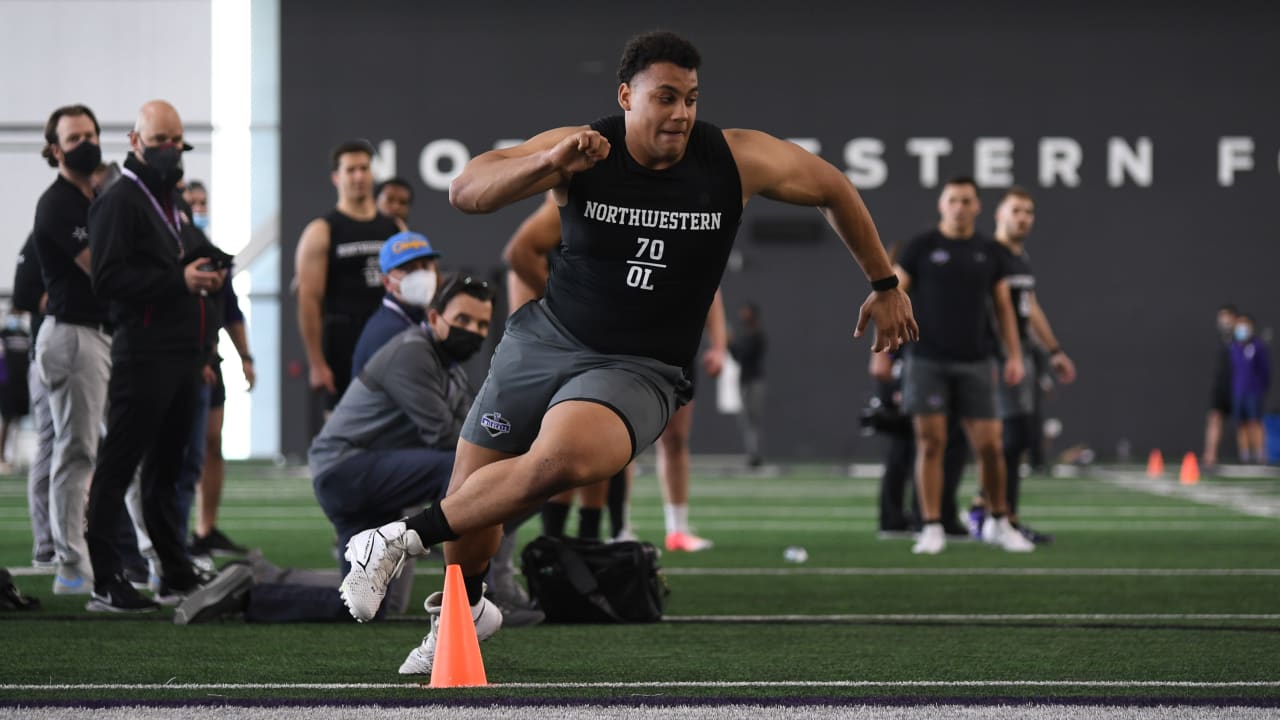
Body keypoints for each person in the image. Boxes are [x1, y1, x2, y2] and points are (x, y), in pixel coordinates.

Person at [338, 31, 917, 674]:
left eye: (691, 98)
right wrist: (550, 163)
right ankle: (466, 609)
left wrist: (884, 283)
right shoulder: (583, 148)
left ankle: (397, 539)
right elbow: (467, 191)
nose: (681, 113)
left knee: (558, 459)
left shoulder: (735, 158)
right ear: (626, 96)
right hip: (545, 339)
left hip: (639, 367)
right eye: (665, 97)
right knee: (471, 500)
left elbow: (833, 186)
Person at [174, 274, 496, 626]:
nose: (473, 331)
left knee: (366, 605)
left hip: (366, 475)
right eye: (463, 319)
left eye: (482, 324)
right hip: (347, 471)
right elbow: (448, 436)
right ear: (434, 317)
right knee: (460, 471)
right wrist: (509, 480)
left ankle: (253, 588)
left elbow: (470, 431)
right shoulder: (414, 352)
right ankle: (473, 596)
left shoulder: (449, 368)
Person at [503, 193, 728, 552]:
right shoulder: (553, 230)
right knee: (563, 451)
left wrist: (718, 343)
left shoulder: (629, 218)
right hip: (574, 348)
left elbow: (706, 284)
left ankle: (600, 537)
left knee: (614, 445)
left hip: (643, 344)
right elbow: (518, 262)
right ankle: (555, 542)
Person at [85, 100, 229, 613]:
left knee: (167, 471)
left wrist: (210, 270)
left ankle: (172, 570)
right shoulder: (120, 200)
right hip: (143, 353)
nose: (169, 148)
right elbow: (106, 280)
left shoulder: (171, 200)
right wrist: (179, 280)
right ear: (135, 140)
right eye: (159, 139)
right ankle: (106, 579)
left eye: (175, 140)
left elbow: (180, 261)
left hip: (183, 354)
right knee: (119, 466)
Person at [895, 176, 1033, 555]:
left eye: (966, 201)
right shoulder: (921, 246)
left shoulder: (989, 252)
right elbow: (892, 293)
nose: (959, 207)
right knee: (931, 443)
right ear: (942, 204)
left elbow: (1003, 307)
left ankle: (999, 520)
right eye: (953, 200)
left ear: (978, 207)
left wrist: (1014, 355)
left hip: (976, 359)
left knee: (990, 446)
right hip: (926, 360)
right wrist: (882, 352)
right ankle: (931, 526)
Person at [30, 103, 110, 596]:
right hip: (72, 335)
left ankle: (135, 557)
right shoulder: (56, 203)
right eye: (75, 138)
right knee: (76, 450)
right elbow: (103, 269)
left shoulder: (101, 196)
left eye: (91, 135)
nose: (86, 144)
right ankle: (72, 567)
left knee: (119, 450)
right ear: (56, 149)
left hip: (106, 334)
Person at [967, 187, 1076, 544]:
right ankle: (994, 514)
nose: (1023, 218)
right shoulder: (989, 254)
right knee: (1005, 439)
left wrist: (1054, 350)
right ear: (999, 214)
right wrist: (996, 352)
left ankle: (995, 513)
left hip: (1022, 356)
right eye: (1016, 211)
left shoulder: (1019, 258)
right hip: (997, 358)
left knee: (1017, 440)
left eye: (1028, 212)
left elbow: (1030, 307)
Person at [295, 140, 405, 416]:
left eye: (364, 168)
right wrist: (317, 363)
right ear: (336, 177)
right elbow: (309, 301)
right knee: (342, 429)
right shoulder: (322, 231)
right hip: (342, 345)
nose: (359, 176)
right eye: (351, 169)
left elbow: (409, 289)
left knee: (392, 424)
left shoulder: (394, 228)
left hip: (388, 340)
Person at [12, 231, 54, 567]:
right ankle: (47, 542)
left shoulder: (103, 222)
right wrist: (70, 297)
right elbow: (23, 294)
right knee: (51, 447)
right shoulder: (50, 225)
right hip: (48, 357)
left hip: (99, 351)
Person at [350, 231, 442, 379]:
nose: (421, 275)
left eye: (425, 266)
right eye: (409, 269)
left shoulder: (415, 318)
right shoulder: (389, 332)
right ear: (387, 282)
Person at [728, 301, 766, 467]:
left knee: (753, 419)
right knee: (747, 420)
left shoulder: (758, 336)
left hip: (754, 382)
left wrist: (730, 342)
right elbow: (737, 356)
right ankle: (752, 453)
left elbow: (744, 356)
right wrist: (729, 343)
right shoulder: (746, 336)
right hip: (745, 382)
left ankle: (755, 454)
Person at [1229, 313, 1270, 463]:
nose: (1241, 328)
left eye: (1244, 324)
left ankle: (1260, 454)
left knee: (1255, 422)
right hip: (1238, 391)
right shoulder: (1233, 347)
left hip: (1254, 390)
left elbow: (1265, 371)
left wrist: (1260, 386)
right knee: (1241, 423)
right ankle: (1244, 455)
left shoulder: (1258, 346)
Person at [1204, 304, 1238, 468]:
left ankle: (1254, 457)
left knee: (1248, 422)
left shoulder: (1244, 340)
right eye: (1221, 317)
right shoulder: (1220, 341)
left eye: (1227, 317)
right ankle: (1210, 455)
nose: (1224, 321)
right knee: (1214, 417)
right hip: (1221, 387)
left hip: (1240, 387)